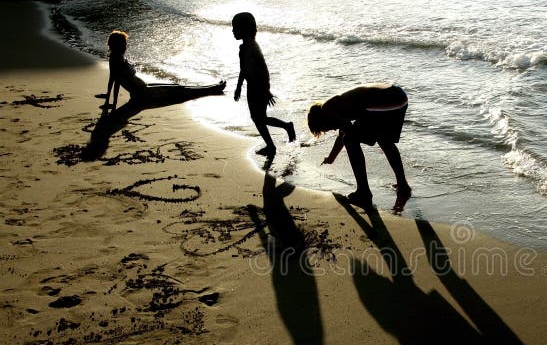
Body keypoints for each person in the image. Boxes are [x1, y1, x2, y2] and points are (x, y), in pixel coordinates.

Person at [307, 83, 411, 211]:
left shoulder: (327, 110)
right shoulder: (337, 106)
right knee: (385, 141)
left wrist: (359, 138)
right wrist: (331, 157)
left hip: (385, 101)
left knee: (350, 139)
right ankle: (403, 185)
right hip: (399, 97)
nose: (332, 129)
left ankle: (363, 192)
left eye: (325, 129)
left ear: (321, 120)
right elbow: (343, 132)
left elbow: (346, 134)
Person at [101, 30, 225, 111]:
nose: (126, 46)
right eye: (124, 43)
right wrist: (112, 104)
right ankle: (212, 89)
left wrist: (110, 102)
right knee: (179, 91)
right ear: (118, 45)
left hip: (143, 90)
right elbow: (115, 80)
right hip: (144, 94)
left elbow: (114, 80)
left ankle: (211, 88)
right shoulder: (118, 61)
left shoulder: (117, 59)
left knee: (177, 87)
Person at [232, 12, 295, 160]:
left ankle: (284, 130)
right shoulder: (243, 48)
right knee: (258, 118)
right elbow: (243, 70)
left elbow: (263, 70)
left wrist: (266, 90)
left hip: (259, 88)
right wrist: (239, 87)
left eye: (235, 28)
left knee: (259, 118)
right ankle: (273, 143)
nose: (233, 31)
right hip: (251, 87)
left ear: (245, 29)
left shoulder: (253, 48)